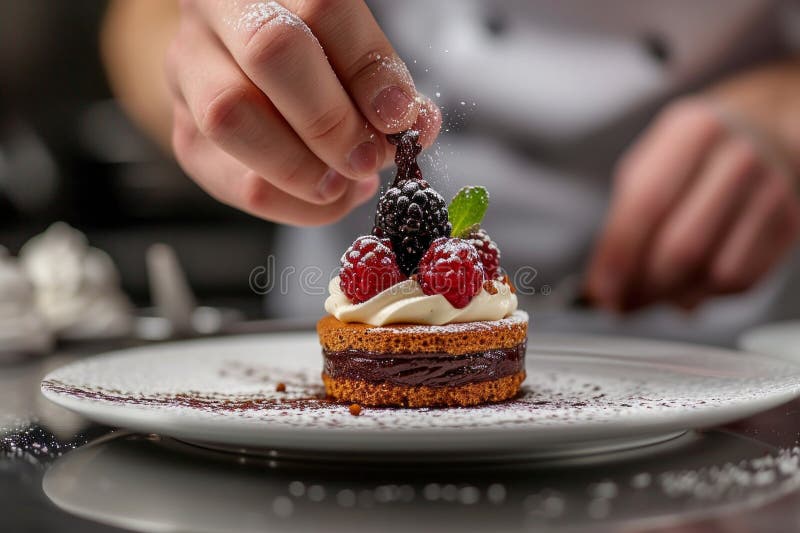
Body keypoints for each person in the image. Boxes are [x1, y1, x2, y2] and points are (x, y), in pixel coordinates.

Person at [102, 0, 800, 342]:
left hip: (707, 357)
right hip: (335, 345)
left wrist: (783, 113)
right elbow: (142, 17)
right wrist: (203, 58)